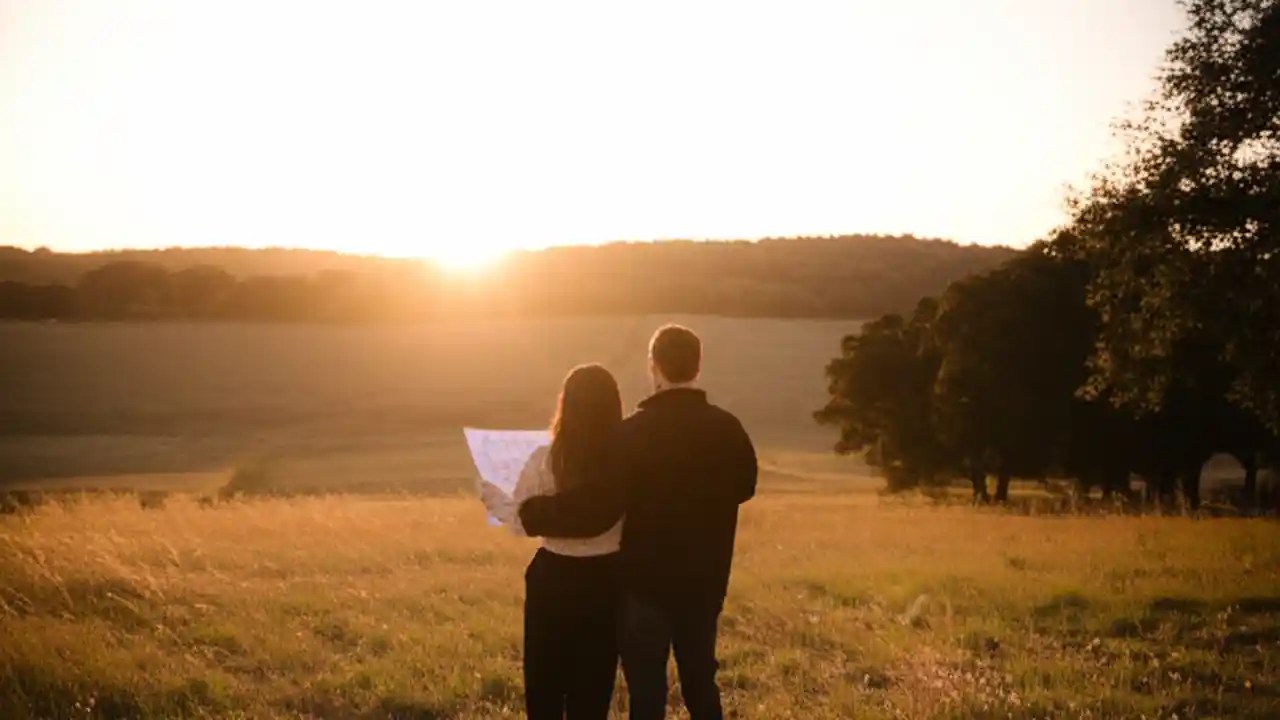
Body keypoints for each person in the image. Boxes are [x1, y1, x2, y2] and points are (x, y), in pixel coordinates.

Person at [518, 325, 758, 720]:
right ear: (698, 366)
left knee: (647, 689)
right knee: (701, 680)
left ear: (654, 367)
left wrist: (535, 513)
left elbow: (599, 503)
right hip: (706, 579)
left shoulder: (631, 434)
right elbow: (745, 487)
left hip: (644, 585)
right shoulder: (728, 428)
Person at [486, 364, 626, 720]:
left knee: (544, 685)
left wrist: (507, 504)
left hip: (553, 577)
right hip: (608, 579)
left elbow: (521, 522)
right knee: (592, 691)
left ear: (566, 404)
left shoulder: (545, 458)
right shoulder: (626, 462)